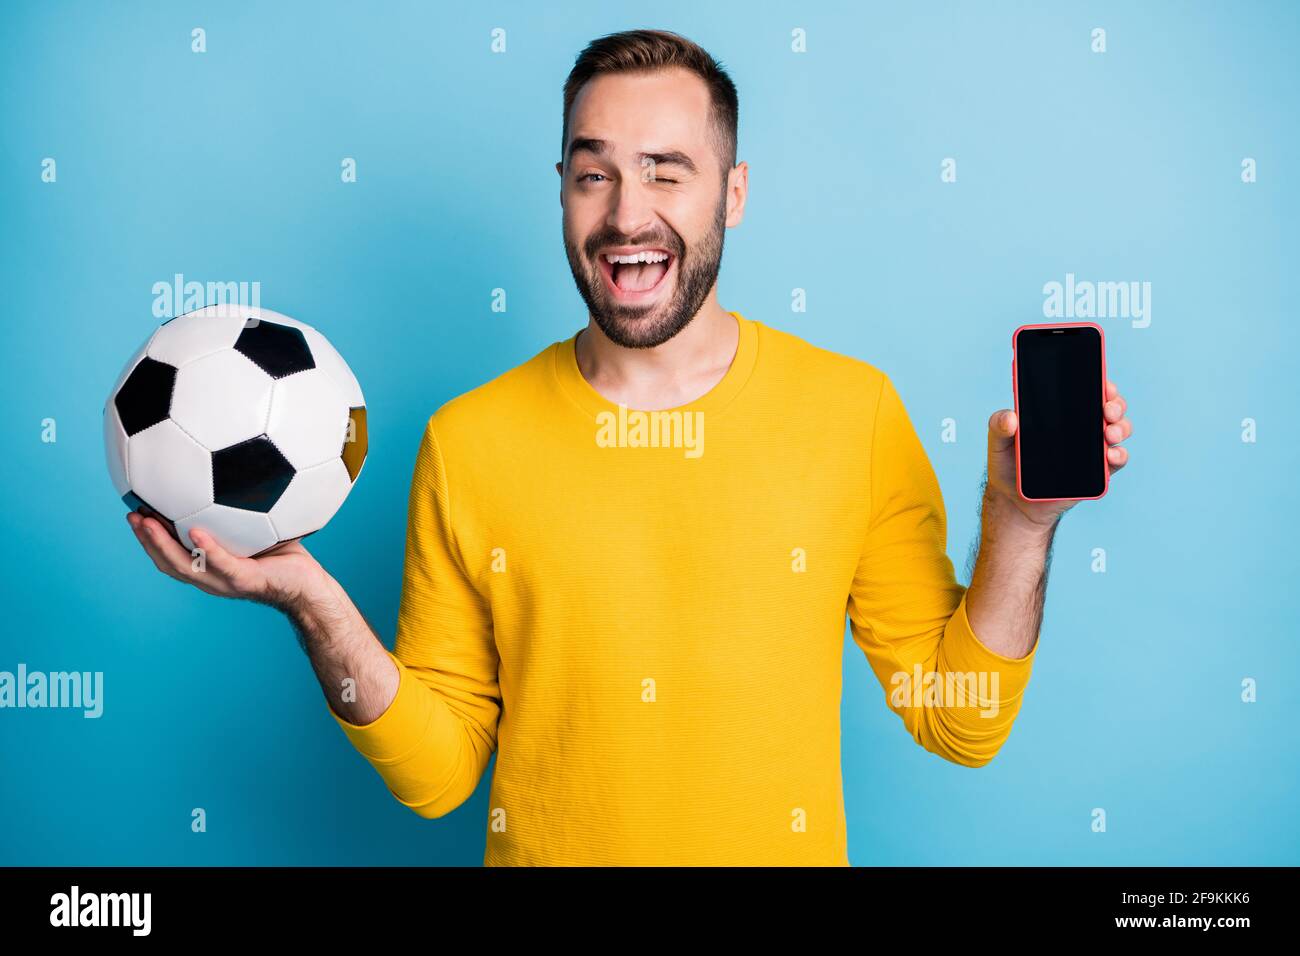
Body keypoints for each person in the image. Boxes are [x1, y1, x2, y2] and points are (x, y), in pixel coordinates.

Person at [127, 29, 1134, 865]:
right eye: (592, 172)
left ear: (732, 193)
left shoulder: (850, 412)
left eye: (666, 171)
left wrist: (1019, 519)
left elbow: (959, 721)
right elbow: (437, 777)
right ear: (561, 189)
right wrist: (313, 602)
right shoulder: (469, 438)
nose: (624, 215)